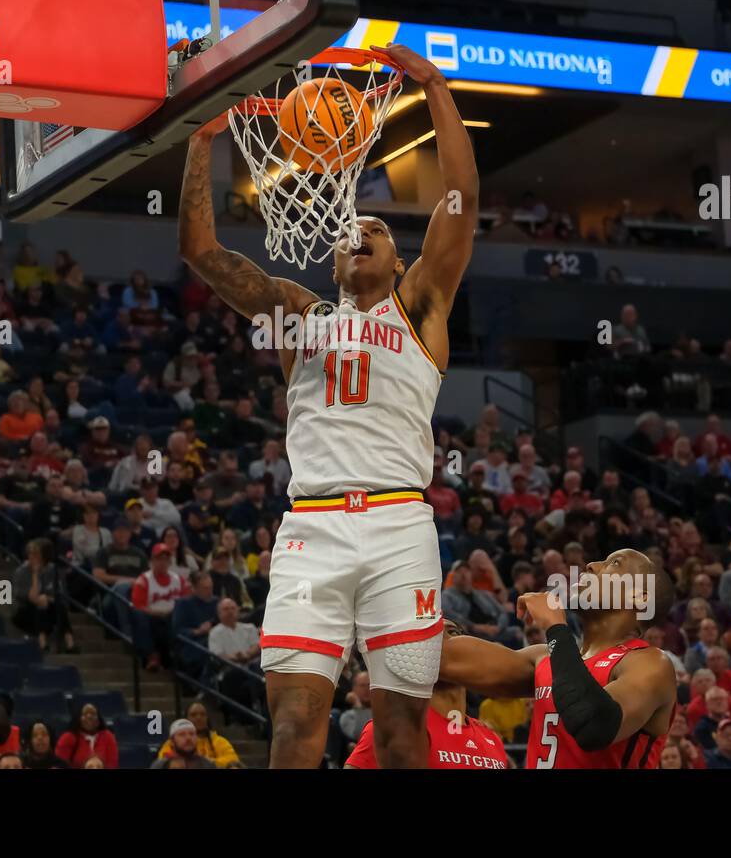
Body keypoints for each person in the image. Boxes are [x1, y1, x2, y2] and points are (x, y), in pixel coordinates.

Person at [178, 45, 477, 769]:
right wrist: (200, 139)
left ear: (400, 262)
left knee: (404, 732)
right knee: (292, 725)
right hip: (311, 526)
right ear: (331, 258)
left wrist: (434, 86)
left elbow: (461, 200)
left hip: (399, 523)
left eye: (377, 231)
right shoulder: (296, 312)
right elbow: (201, 251)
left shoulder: (423, 305)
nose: (360, 234)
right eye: (352, 232)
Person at [439, 549, 677, 768]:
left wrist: (555, 627)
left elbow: (594, 727)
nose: (591, 565)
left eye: (614, 563)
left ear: (641, 598)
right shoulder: (545, 656)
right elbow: (444, 657)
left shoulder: (650, 664)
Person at [347, 623, 509, 769]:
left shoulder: (491, 737)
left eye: (452, 633)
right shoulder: (395, 727)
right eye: (430, 635)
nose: (441, 640)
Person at [130, 544, 191, 671]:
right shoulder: (143, 580)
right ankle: (152, 656)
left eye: (166, 559)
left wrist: (172, 612)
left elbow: (186, 600)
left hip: (173, 616)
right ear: (152, 561)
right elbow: (138, 605)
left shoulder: (178, 579)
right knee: (139, 616)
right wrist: (155, 613)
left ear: (170, 562)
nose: (162, 563)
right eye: (159, 559)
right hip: (151, 617)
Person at [12, 538, 77, 653]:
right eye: (30, 554)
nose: (32, 557)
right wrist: (35, 574)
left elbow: (60, 596)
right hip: (25, 611)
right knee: (39, 606)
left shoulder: (53, 570)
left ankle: (70, 642)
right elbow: (31, 597)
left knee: (59, 607)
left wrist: (46, 598)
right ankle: (42, 641)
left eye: (35, 554)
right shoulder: (21, 572)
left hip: (49, 607)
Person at [156, 702, 239, 767]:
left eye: (203, 714)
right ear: (186, 718)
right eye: (193, 715)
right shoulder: (173, 742)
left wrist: (206, 762)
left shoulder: (219, 741)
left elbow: (234, 761)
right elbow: (163, 761)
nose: (199, 718)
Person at [55, 703, 119, 769]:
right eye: (85, 714)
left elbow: (112, 765)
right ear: (78, 718)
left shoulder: (108, 736)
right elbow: (60, 765)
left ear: (99, 719)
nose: (89, 716)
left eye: (93, 714)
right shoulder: (67, 737)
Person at [149, 719, 217, 769]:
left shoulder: (208, 765)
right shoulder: (160, 765)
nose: (188, 738)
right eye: (182, 735)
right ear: (172, 741)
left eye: (192, 734)